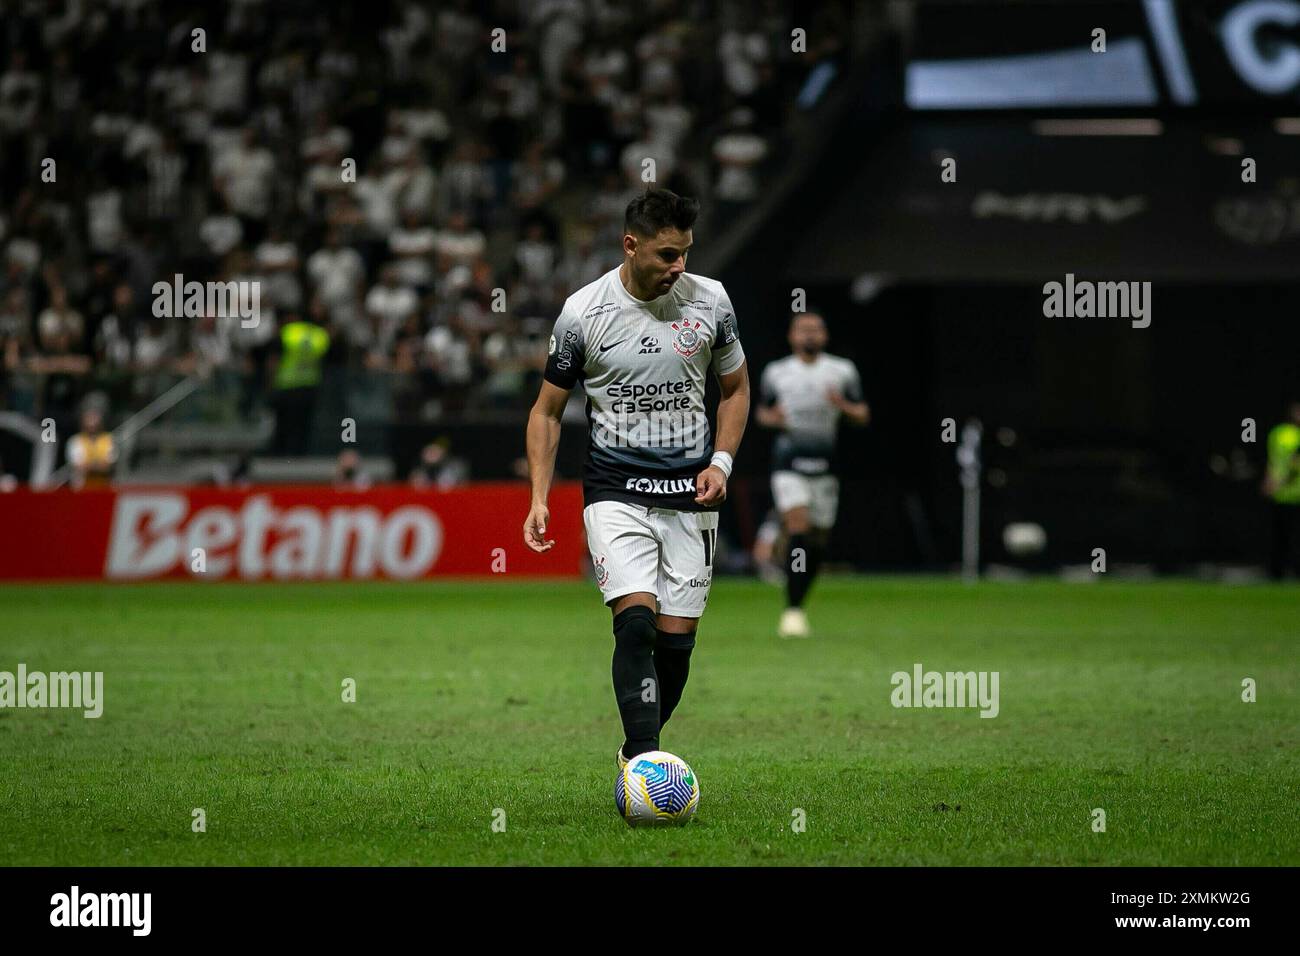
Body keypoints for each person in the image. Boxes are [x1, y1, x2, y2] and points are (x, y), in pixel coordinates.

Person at [523, 187, 750, 767]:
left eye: (686, 254)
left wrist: (721, 463)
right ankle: (649, 759)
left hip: (691, 495)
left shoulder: (712, 302)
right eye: (668, 255)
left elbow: (736, 389)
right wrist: (540, 498)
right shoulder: (583, 313)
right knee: (637, 628)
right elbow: (547, 411)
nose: (680, 267)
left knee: (676, 646)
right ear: (631, 245)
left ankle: (632, 751)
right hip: (615, 489)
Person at [755, 311, 868, 638]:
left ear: (825, 335)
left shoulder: (842, 371)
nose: (810, 334)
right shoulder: (777, 372)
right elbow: (762, 412)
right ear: (792, 336)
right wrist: (773, 418)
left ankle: (799, 602)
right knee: (798, 524)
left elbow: (862, 414)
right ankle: (791, 611)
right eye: (803, 329)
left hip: (826, 466)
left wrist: (842, 406)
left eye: (816, 329)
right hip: (789, 464)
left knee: (818, 538)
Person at [1263, 400, 1300, 579]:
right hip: (1283, 495)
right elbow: (1276, 461)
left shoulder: (1279, 433)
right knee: (1281, 537)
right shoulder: (1279, 433)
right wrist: (1271, 481)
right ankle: (1277, 572)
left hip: (1291, 493)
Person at [66, 405, 116, 489]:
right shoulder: (75, 441)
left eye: (95, 418)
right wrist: (98, 465)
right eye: (89, 418)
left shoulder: (108, 439)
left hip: (104, 487)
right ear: (82, 420)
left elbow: (108, 466)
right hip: (81, 488)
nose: (92, 422)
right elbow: (79, 466)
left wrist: (89, 465)